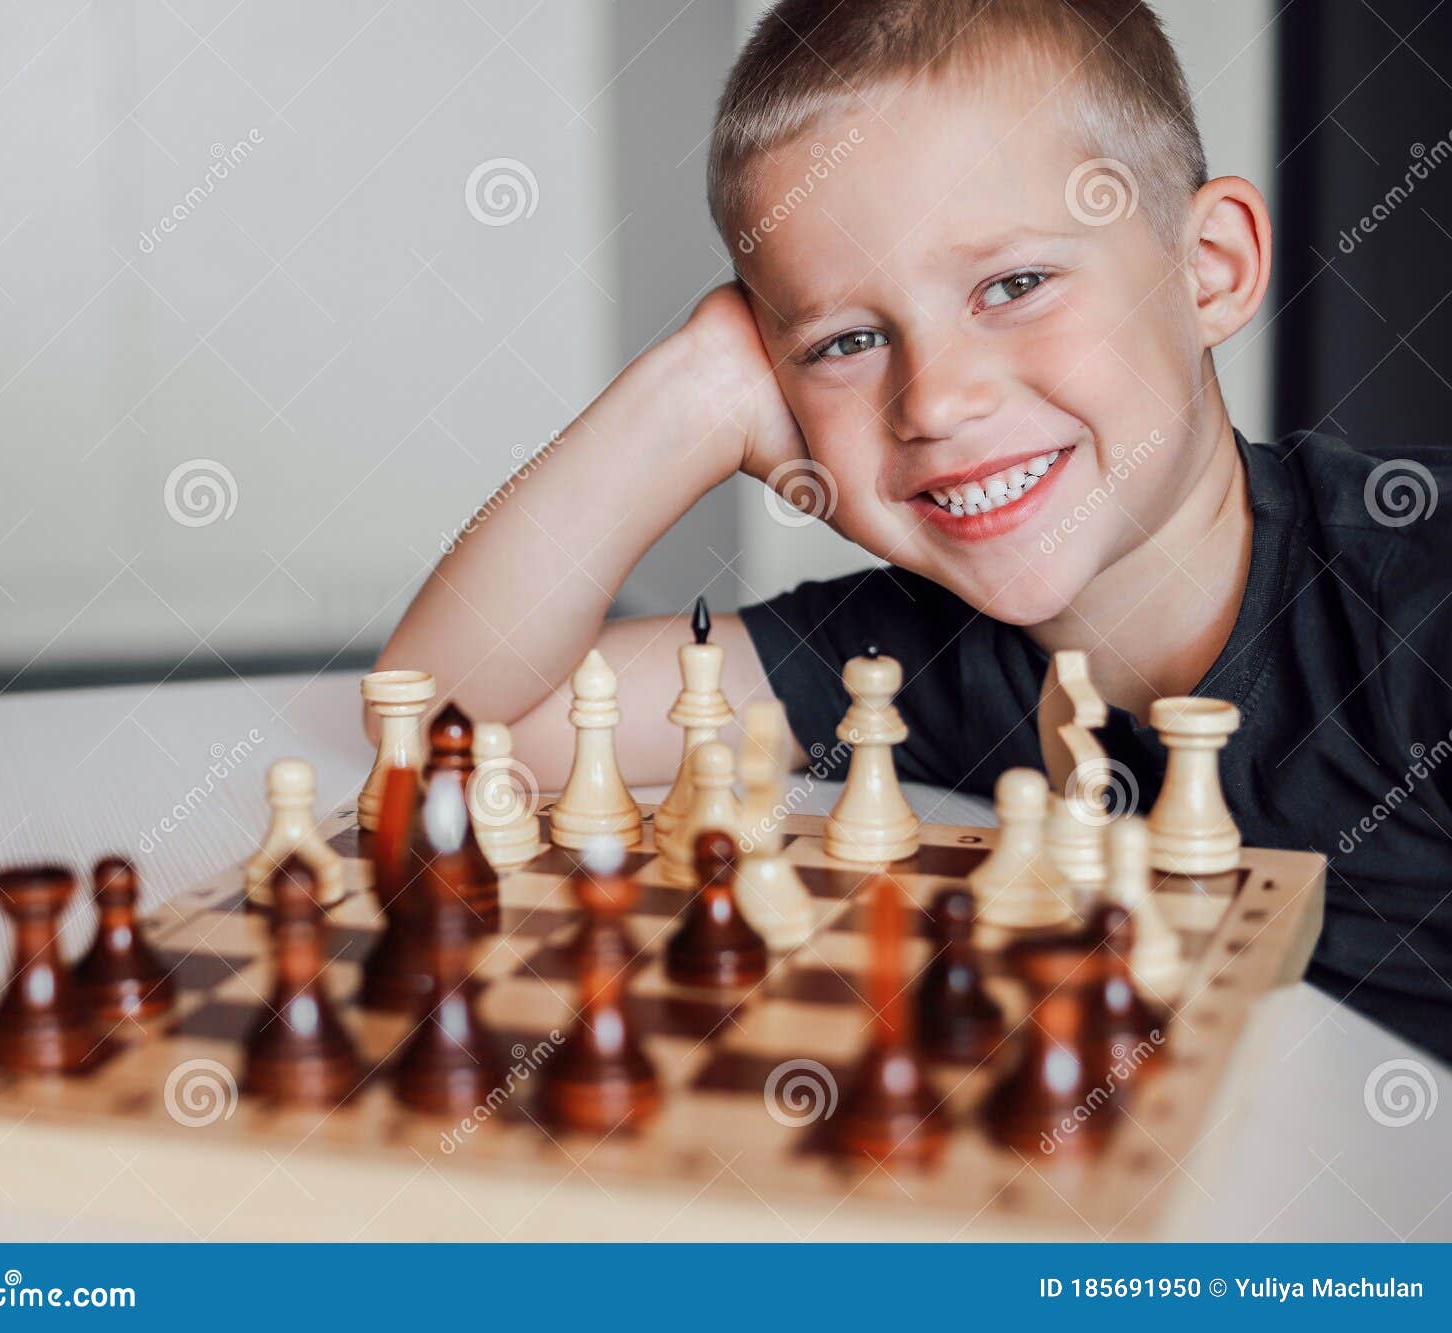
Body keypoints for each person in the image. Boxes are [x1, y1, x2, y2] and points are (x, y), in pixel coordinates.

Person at [379, 0, 1452, 1059]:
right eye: (844, 341)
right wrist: (687, 397)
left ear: (1208, 266)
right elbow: (432, 723)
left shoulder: (1416, 610)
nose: (934, 400)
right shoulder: (906, 657)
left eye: (1015, 284)